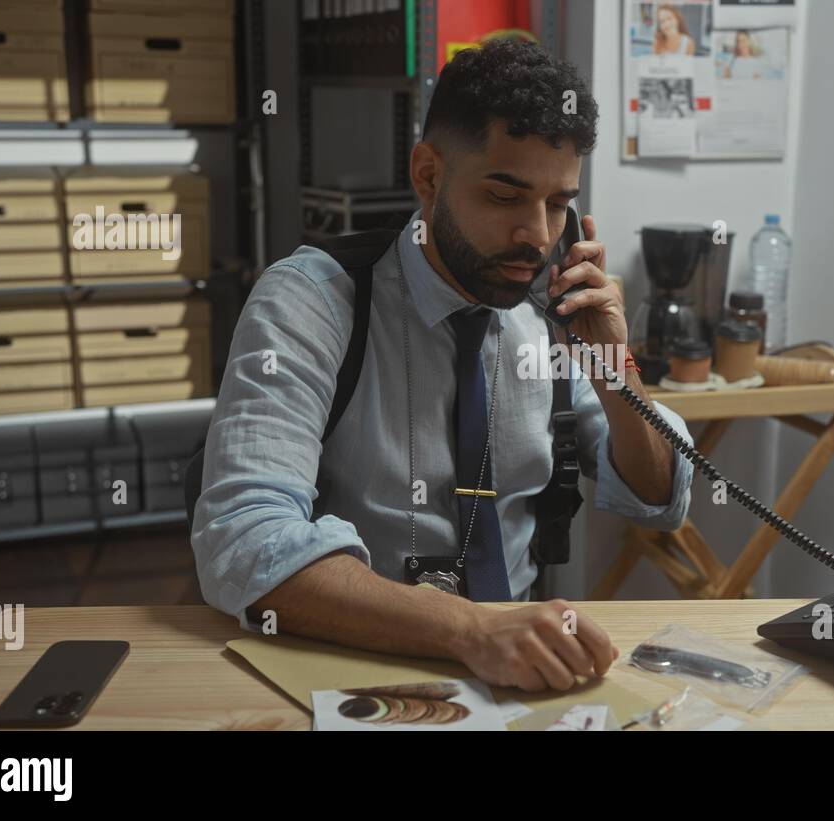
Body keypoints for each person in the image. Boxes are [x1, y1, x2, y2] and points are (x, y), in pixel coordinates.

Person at [191, 39, 695, 694]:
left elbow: (657, 499)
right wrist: (467, 630)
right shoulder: (312, 301)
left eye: (556, 203)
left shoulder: (550, 315)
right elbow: (242, 541)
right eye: (506, 195)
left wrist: (613, 364)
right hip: (355, 663)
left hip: (511, 674)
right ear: (428, 174)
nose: (539, 236)